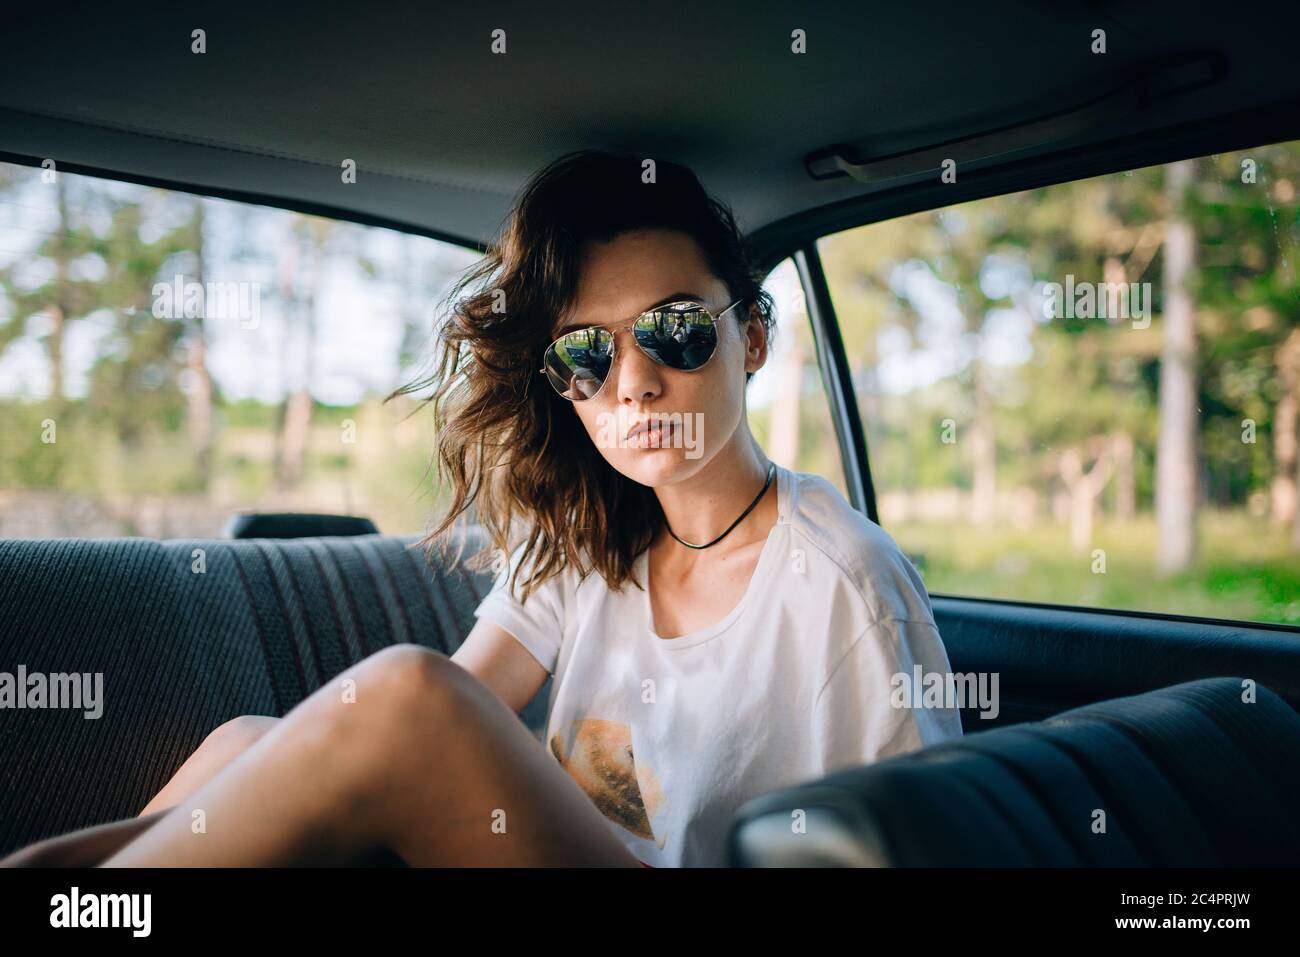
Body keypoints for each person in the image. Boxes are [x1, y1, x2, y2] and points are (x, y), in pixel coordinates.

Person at [0, 149, 962, 869]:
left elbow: (926, 841)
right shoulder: (587, 537)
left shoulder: (844, 583)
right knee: (247, 740)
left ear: (750, 338)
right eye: (585, 353)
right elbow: (458, 706)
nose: (630, 385)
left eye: (672, 332)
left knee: (405, 695)